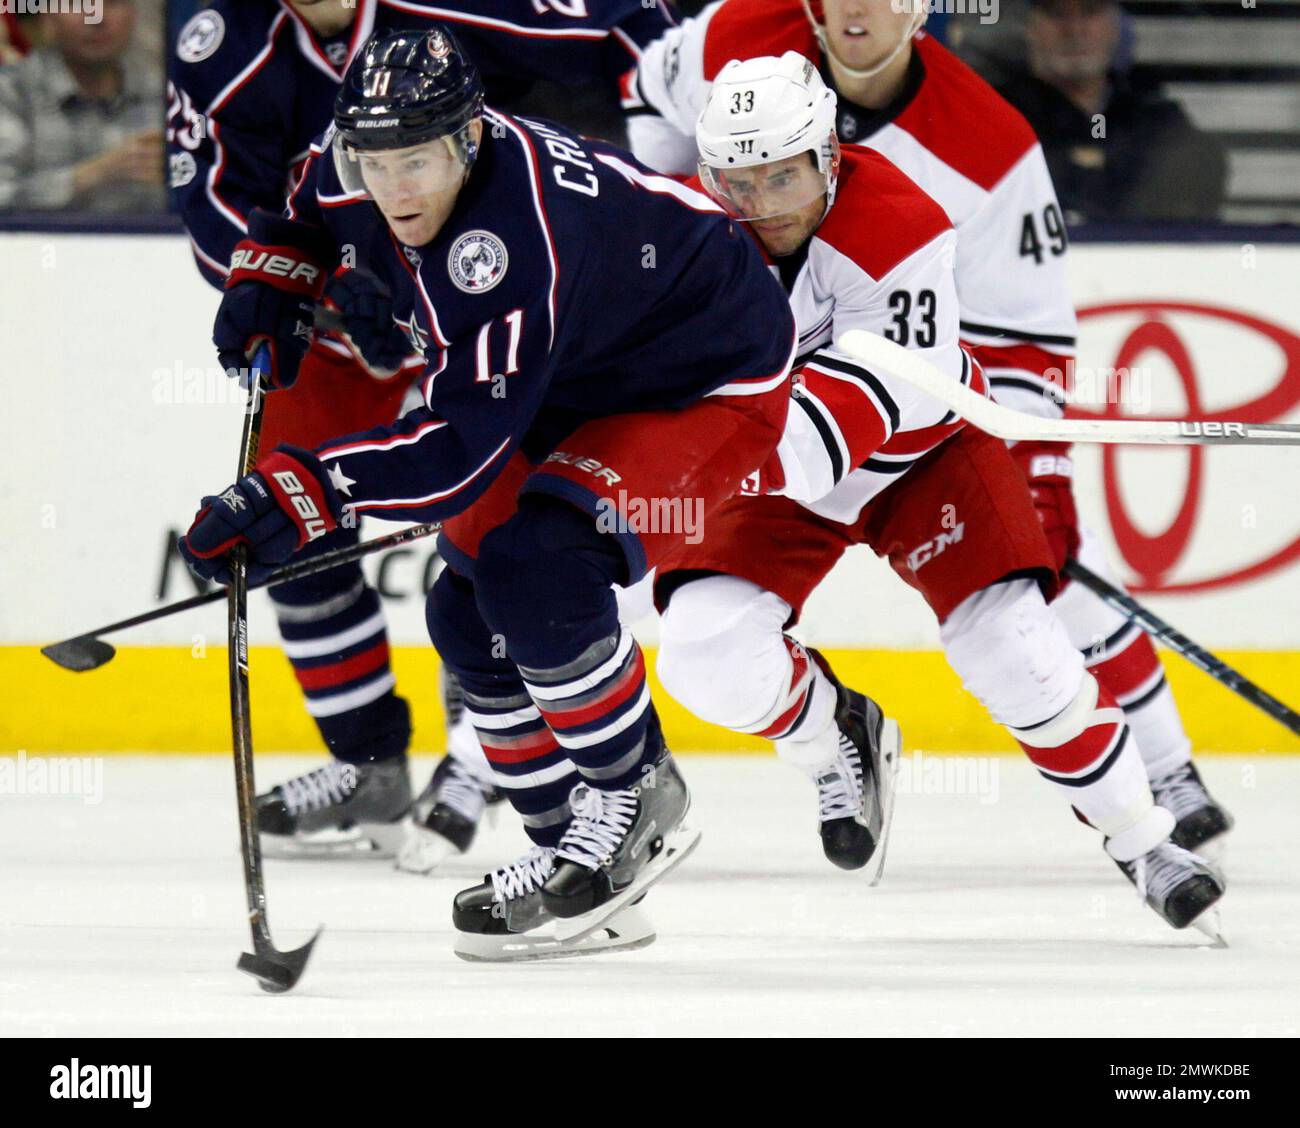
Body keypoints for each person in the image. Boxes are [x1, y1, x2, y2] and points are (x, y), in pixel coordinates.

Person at [178, 27, 797, 959]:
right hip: (579, 372)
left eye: (417, 159)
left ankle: (637, 797)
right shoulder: (362, 164)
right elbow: (307, 208)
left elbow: (459, 453)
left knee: (540, 569)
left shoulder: (510, 238)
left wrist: (302, 490)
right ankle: (577, 876)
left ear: (469, 139)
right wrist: (276, 273)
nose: (394, 187)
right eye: (375, 160)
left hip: (705, 379)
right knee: (466, 612)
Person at [628, 0, 1233, 858]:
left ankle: (1163, 778)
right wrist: (652, 212)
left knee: (1035, 601)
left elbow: (1029, 331)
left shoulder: (987, 145)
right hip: (780, 409)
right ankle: (834, 736)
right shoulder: (733, 39)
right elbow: (644, 93)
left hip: (922, 419)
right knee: (699, 639)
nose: (856, 8)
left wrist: (1043, 468)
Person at [995, 0, 1227, 223]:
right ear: (1030, 28)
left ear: (1116, 25)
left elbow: (1200, 166)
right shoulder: (1000, 116)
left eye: (1090, 11)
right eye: (1057, 14)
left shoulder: (1150, 112)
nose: (1075, 29)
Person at [0, 0, 163, 212]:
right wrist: (91, 176)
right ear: (47, 16)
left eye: (113, 3)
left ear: (134, 14)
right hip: (39, 244)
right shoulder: (11, 92)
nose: (98, 18)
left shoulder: (166, 94)